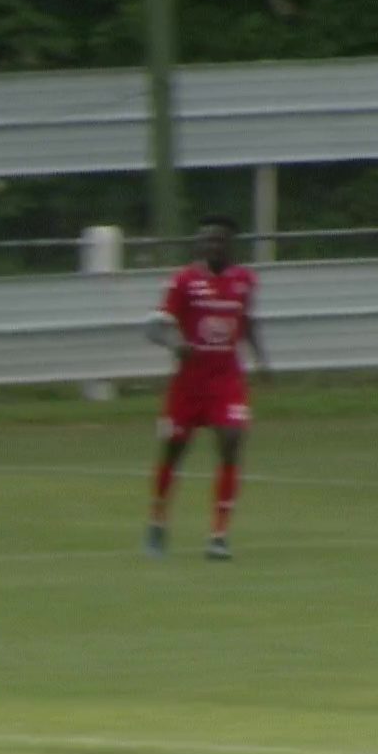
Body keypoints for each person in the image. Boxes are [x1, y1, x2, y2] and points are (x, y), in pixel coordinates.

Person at [144, 214, 271, 560]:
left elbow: (247, 321)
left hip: (226, 378)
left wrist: (261, 359)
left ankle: (219, 534)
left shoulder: (244, 280)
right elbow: (156, 326)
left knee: (231, 441)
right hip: (189, 381)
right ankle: (157, 521)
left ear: (229, 243)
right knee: (175, 448)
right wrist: (176, 344)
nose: (210, 246)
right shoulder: (183, 281)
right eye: (205, 240)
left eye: (217, 240)